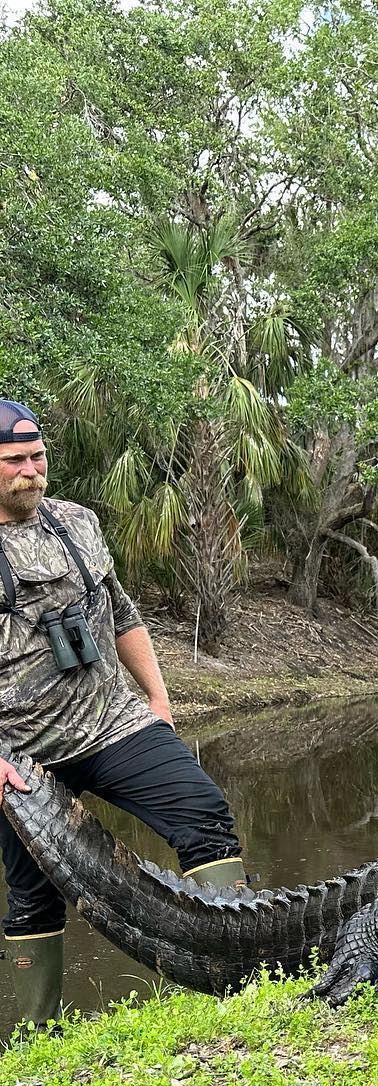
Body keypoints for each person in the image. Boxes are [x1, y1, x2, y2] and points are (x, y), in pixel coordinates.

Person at [0, 399, 248, 1030]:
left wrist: (158, 698)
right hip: (21, 756)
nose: (31, 472)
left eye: (37, 458)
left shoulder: (76, 522)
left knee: (203, 813)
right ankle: (39, 1035)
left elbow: (121, 612)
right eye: (14, 462)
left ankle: (237, 983)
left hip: (112, 723)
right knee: (33, 896)